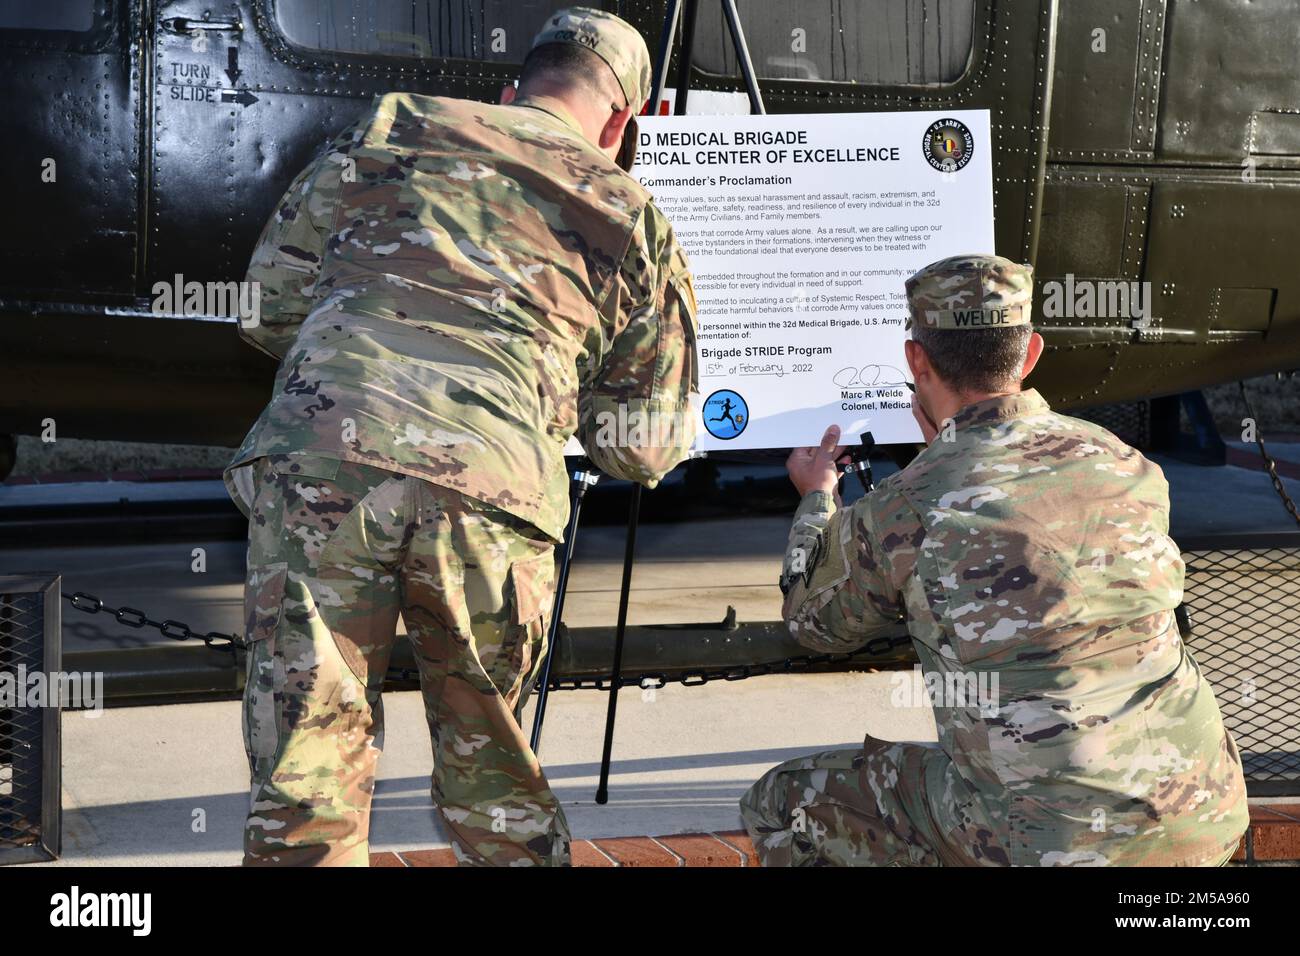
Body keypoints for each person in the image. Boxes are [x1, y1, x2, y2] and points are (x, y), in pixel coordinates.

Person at [226, 7, 699, 866]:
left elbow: (265, 308)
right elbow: (644, 446)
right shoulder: (628, 212)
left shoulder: (391, 126)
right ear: (625, 120)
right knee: (490, 772)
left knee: (306, 761)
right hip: (490, 490)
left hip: (325, 457)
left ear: (516, 85)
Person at [740, 254, 1248, 866]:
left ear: (916, 360)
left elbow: (812, 623)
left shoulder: (908, 505)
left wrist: (817, 500)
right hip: (1203, 811)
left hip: (1047, 843)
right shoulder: (1123, 460)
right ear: (1030, 353)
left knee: (780, 803)